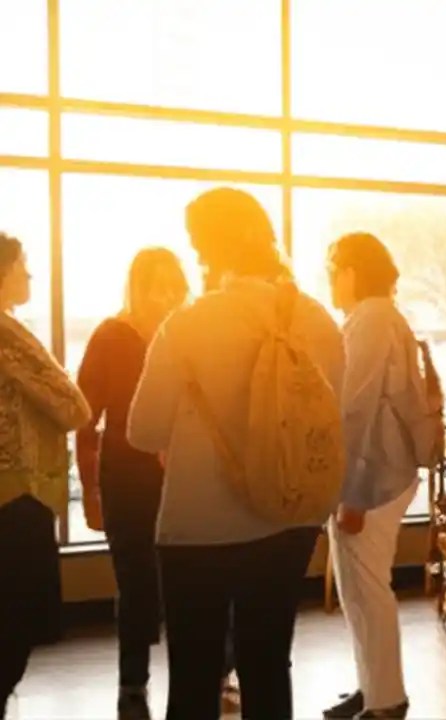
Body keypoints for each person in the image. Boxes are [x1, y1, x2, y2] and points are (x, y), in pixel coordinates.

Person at [127, 188, 345, 720]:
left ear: (206, 250)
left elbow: (143, 430)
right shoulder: (316, 320)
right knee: (269, 664)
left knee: (195, 676)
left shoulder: (187, 324)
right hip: (291, 516)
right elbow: (331, 416)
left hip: (197, 526)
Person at [76, 248, 190, 720]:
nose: (164, 295)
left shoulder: (183, 335)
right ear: (136, 286)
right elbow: (84, 420)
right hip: (124, 479)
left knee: (186, 582)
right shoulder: (111, 335)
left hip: (181, 479)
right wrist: (90, 493)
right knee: (136, 584)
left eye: (172, 285)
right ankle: (132, 685)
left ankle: (204, 676)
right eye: (155, 285)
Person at [321, 233, 423, 720]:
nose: (329, 281)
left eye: (332, 269)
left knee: (367, 591)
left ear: (352, 271)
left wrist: (351, 494)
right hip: (380, 469)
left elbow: (354, 410)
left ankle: (386, 701)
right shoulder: (378, 317)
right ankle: (374, 687)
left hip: (373, 475)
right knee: (358, 592)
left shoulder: (372, 320)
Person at [0, 232, 93, 717]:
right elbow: (73, 405)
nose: (30, 276)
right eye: (23, 265)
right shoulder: (7, 333)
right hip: (16, 495)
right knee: (14, 626)